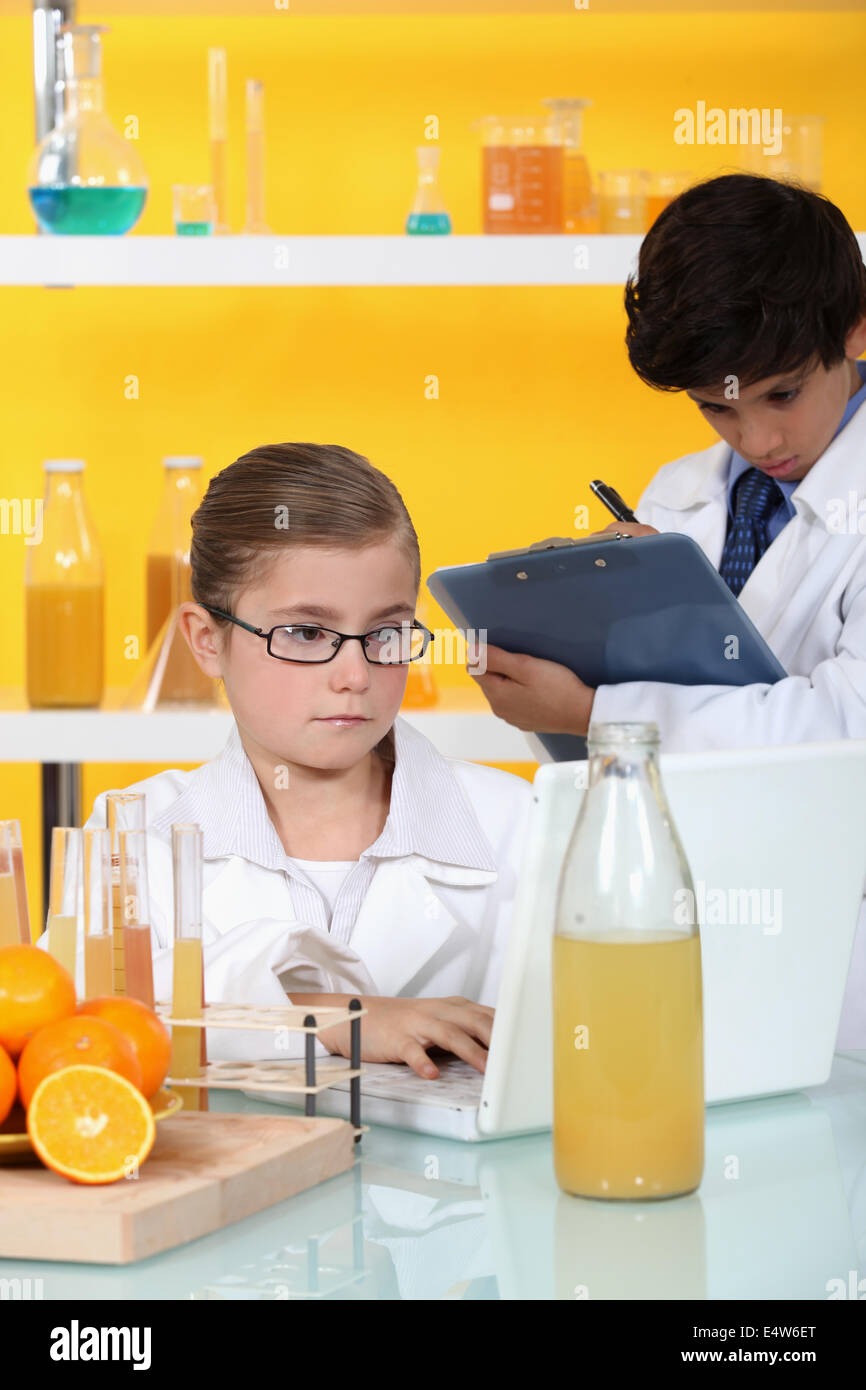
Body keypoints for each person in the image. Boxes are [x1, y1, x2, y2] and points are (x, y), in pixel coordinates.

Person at [469, 173, 866, 1046]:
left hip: (843, 956)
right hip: (688, 916)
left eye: (783, 394)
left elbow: (847, 729)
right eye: (716, 408)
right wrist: (572, 653)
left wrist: (603, 709)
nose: (758, 441)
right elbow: (633, 756)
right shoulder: (679, 497)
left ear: (855, 327)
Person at [81, 442, 533, 1076]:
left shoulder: (523, 826)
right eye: (305, 633)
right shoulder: (129, 835)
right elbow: (83, 1029)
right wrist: (333, 1020)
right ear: (207, 640)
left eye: (385, 633)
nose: (354, 674)